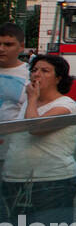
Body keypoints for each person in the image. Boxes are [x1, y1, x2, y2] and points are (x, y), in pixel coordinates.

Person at [1, 55, 76, 225]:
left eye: (45, 71)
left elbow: (35, 128)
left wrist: (31, 100)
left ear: (58, 78)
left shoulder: (66, 105)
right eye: (34, 70)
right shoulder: (29, 105)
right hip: (16, 179)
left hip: (51, 181)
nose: (37, 75)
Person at [0, 23, 31, 165]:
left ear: (21, 46)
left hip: (13, 155)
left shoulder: (32, 75)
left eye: (8, 44)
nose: (1, 49)